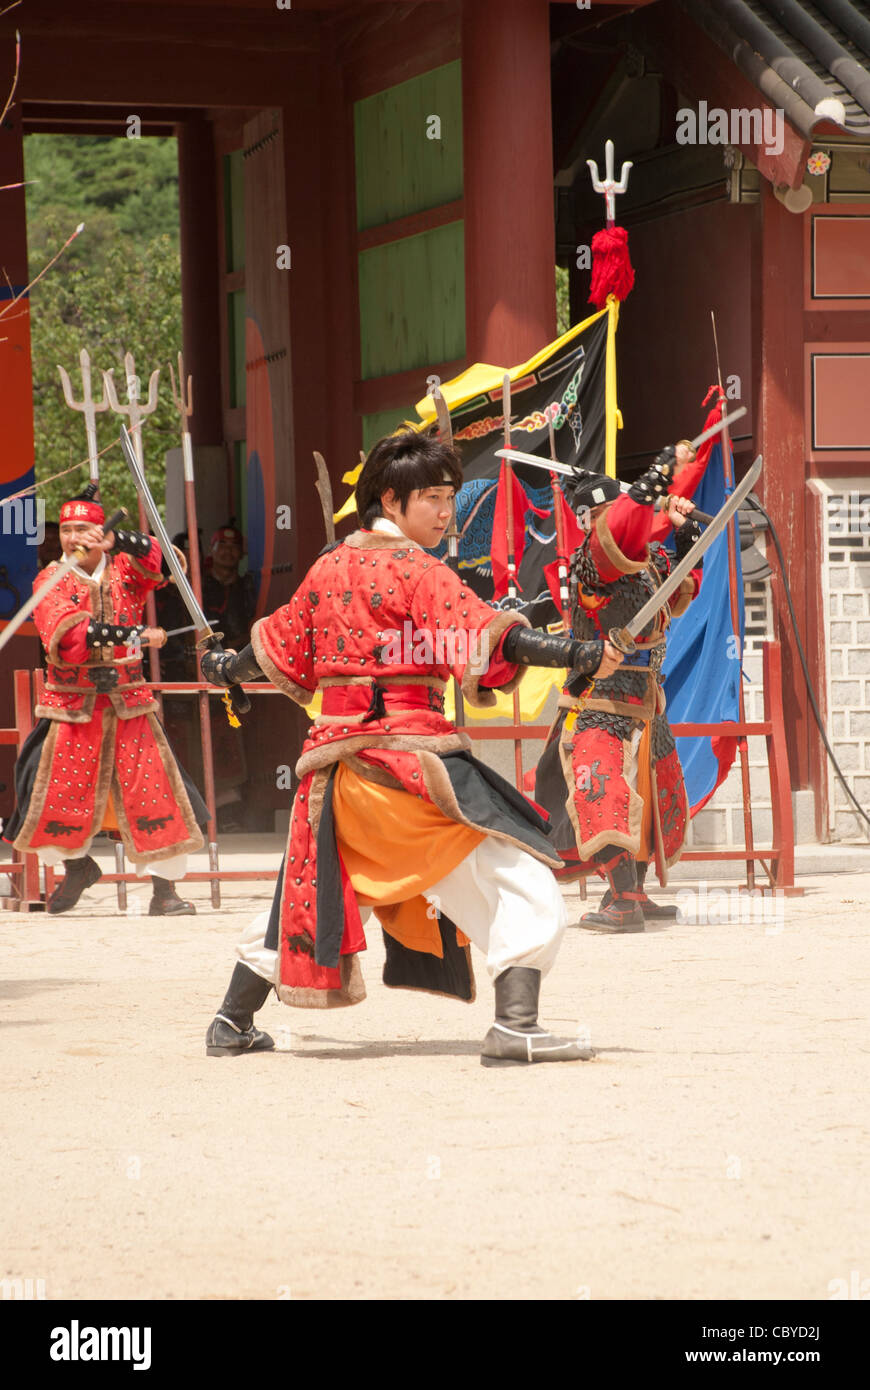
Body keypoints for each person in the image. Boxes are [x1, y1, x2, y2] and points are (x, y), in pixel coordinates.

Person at [200, 428, 623, 1066]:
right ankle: (515, 1026)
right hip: (407, 771)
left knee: (321, 896)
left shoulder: (327, 567)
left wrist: (224, 666)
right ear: (391, 502)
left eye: (450, 497)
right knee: (523, 878)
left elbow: (277, 649)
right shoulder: (420, 572)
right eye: (432, 498)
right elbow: (489, 638)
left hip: (338, 780)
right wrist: (574, 652)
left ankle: (231, 1021)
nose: (446, 512)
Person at [3, 484, 207, 915]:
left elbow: (167, 562)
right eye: (68, 530)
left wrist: (124, 539)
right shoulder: (49, 579)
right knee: (48, 799)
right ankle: (77, 868)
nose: (74, 538)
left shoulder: (125, 570)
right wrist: (134, 635)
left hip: (130, 702)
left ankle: (164, 892)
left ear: (100, 533)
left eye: (85, 529)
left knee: (156, 793)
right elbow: (71, 635)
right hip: (72, 708)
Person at [534, 443, 704, 933]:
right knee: (601, 794)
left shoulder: (646, 559)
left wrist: (686, 528)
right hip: (599, 698)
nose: (626, 519)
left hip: (646, 700)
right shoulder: (592, 559)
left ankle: (632, 893)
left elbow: (677, 594)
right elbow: (621, 532)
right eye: (611, 513)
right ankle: (623, 898)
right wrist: (655, 480)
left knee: (652, 796)